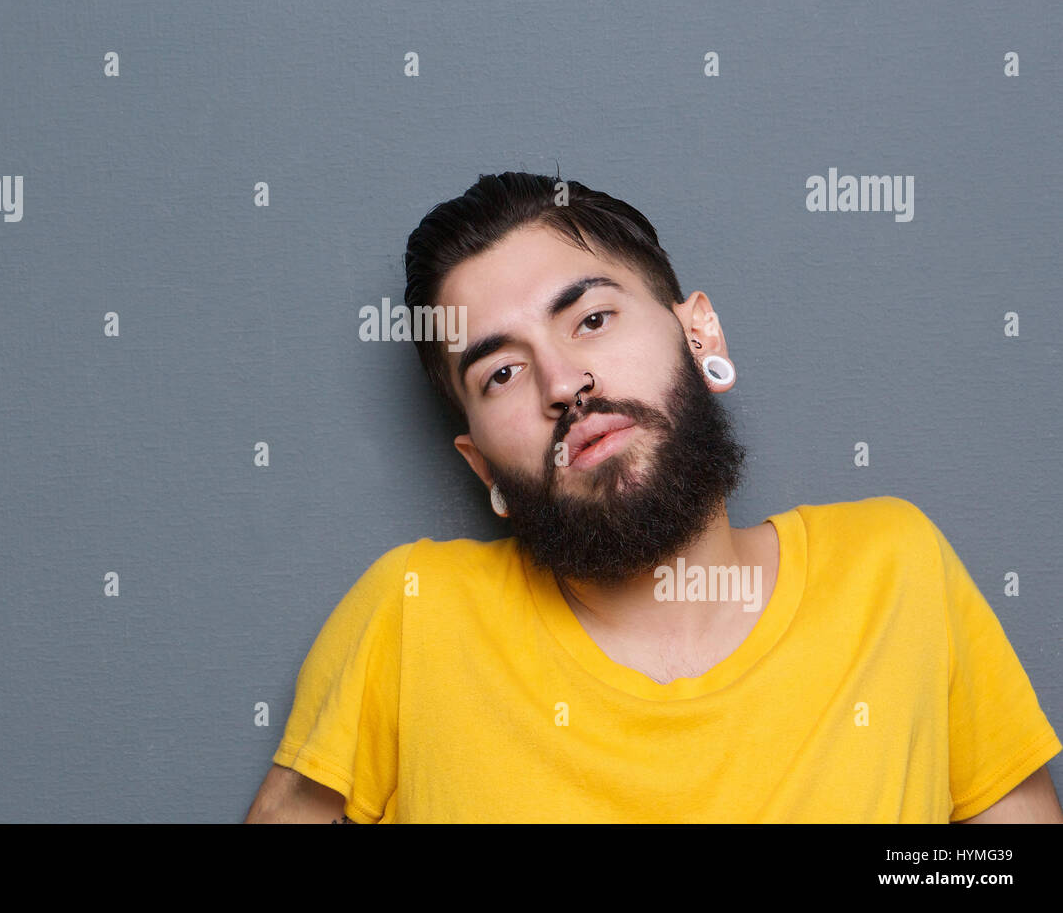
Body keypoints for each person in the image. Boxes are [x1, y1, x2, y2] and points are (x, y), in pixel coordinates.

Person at [245, 171, 1062, 823]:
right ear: (482, 465)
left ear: (699, 333)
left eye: (592, 318)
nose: (564, 382)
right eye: (501, 372)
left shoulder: (896, 570)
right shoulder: (410, 615)